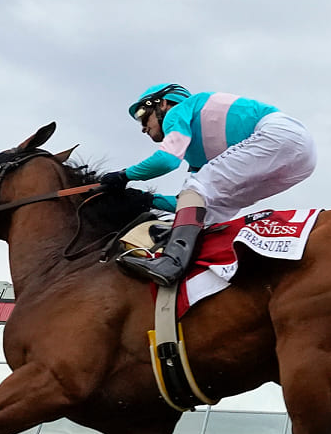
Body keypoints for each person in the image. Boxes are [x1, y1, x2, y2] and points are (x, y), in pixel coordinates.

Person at [101, 83, 317, 285]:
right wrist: (147, 199)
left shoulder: (178, 110)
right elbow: (191, 204)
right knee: (211, 211)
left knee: (197, 185)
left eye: (142, 116)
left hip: (278, 135)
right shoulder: (198, 154)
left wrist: (123, 176)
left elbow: (167, 160)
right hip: (302, 161)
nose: (143, 128)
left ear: (163, 103)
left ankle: (171, 262)